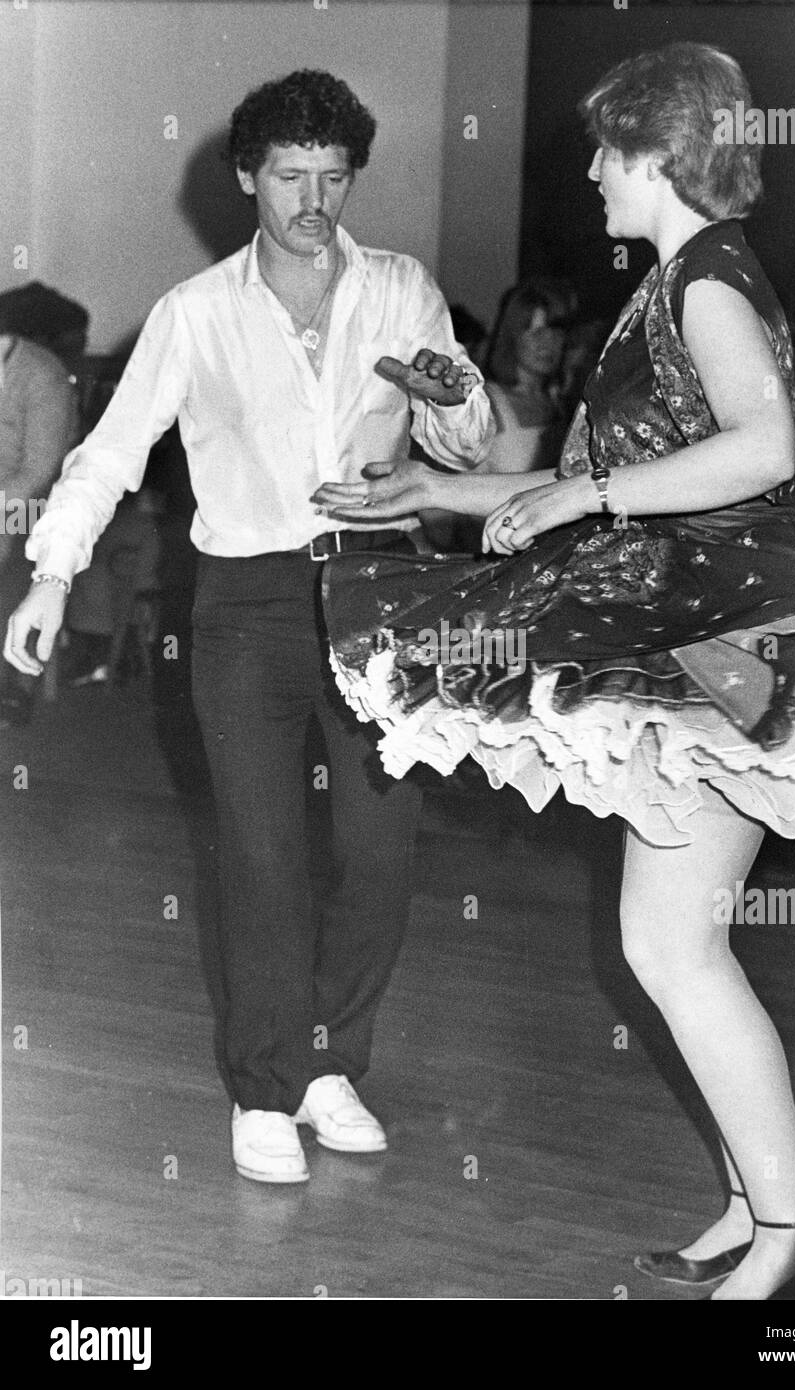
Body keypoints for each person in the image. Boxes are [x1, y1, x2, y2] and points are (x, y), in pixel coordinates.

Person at [313, 42, 795, 1299]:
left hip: (713, 630)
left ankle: (777, 1233)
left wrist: (577, 496)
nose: (593, 173)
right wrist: (441, 487)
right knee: (672, 942)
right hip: (685, 612)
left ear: (656, 154)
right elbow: (597, 489)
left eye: (608, 150)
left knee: (673, 947)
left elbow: (762, 450)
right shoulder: (672, 283)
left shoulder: (703, 277)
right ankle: (756, 1208)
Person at [4, 69, 493, 1184]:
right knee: (264, 856)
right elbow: (110, 455)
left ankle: (329, 1062)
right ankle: (266, 1086)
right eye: (289, 177)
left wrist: (450, 394)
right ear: (245, 178)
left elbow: (464, 448)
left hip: (378, 593)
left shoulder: (402, 289)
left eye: (332, 177)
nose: (313, 201)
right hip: (243, 607)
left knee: (378, 858)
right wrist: (47, 578)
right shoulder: (194, 314)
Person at [0, 327, 79, 724]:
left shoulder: (41, 375)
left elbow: (38, 470)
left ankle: (12, 687)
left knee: (12, 554)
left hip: (36, 503)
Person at [483, 278, 572, 475]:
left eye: (556, 333)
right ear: (513, 337)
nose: (548, 345)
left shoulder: (559, 400)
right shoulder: (486, 402)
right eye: (537, 333)